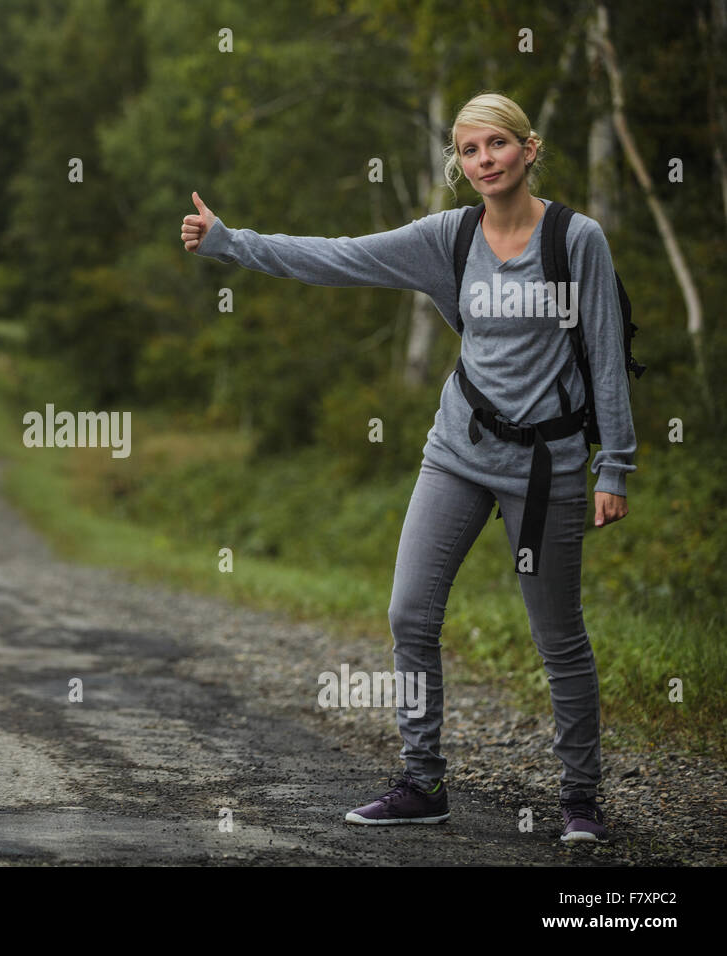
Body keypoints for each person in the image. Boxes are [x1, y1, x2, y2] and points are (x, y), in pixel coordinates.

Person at [181, 92, 635, 844]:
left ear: (528, 149)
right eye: (468, 150)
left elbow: (610, 356)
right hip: (458, 449)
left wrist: (614, 466)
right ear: (458, 163)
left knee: (557, 634)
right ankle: (422, 781)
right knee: (408, 612)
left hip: (547, 465)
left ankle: (581, 799)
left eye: (496, 145)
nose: (484, 160)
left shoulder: (575, 239)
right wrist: (233, 242)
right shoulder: (448, 238)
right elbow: (340, 255)